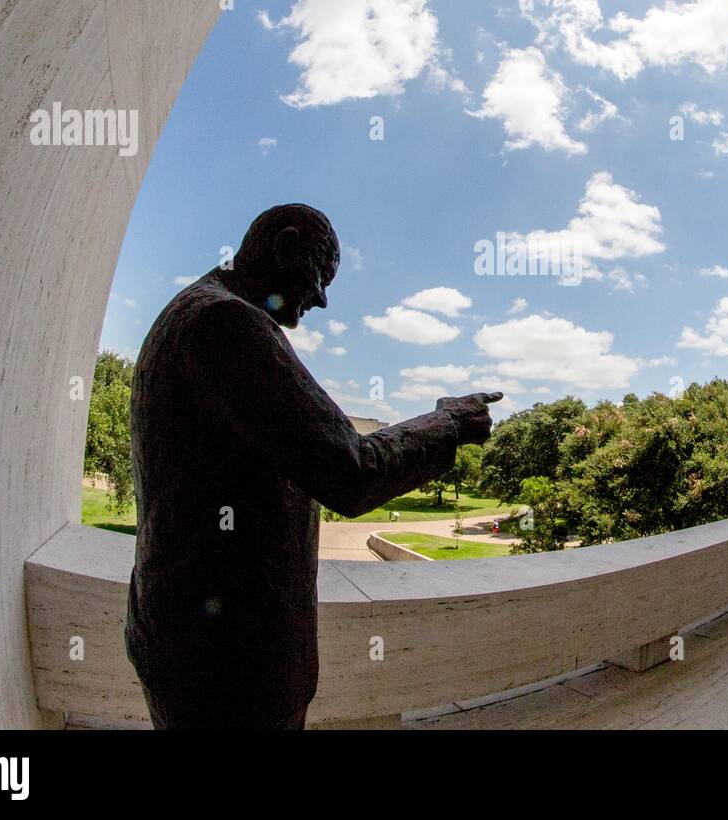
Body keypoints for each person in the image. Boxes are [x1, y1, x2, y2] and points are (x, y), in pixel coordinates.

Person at [125, 203, 499, 729]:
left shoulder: (190, 310)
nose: (319, 301)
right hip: (230, 664)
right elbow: (351, 471)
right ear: (285, 245)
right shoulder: (227, 323)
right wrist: (449, 423)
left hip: (189, 641)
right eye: (319, 277)